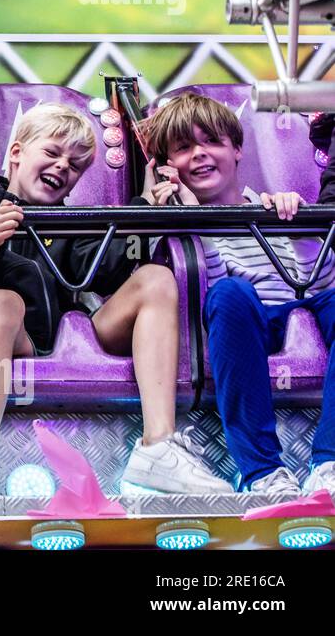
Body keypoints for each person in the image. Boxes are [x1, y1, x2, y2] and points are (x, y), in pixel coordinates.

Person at [0, 102, 230, 496]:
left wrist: (145, 206)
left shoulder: (72, 224)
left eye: (75, 165)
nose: (63, 166)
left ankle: (158, 446)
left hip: (69, 328)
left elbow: (99, 267)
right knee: (3, 302)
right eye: (52, 153)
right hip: (8, 336)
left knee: (157, 279)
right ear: (17, 153)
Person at [139, 93, 335, 497]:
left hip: (297, 308)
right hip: (241, 318)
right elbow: (207, 291)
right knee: (230, 292)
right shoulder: (179, 231)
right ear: (165, 168)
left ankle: (330, 463)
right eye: (183, 148)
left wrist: (296, 231)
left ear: (237, 149)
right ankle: (262, 472)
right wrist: (192, 216)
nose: (199, 154)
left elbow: (319, 285)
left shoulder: (266, 206)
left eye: (211, 141)